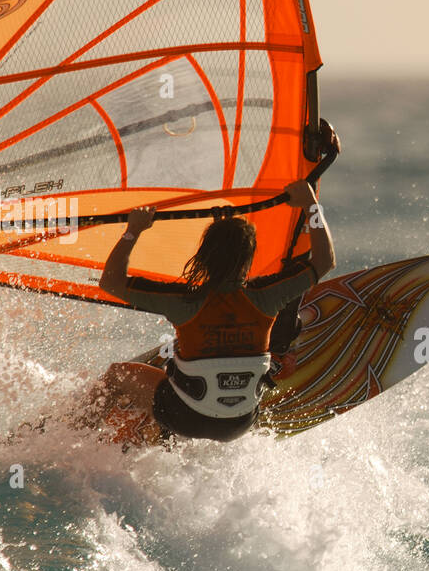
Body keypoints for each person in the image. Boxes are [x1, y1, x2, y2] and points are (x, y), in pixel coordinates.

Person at [91, 168, 337, 443]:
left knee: (117, 374)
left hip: (182, 417)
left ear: (203, 258)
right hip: (241, 422)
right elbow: (324, 261)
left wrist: (133, 231)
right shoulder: (268, 295)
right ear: (247, 261)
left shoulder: (183, 300)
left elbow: (111, 282)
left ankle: (73, 431)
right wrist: (310, 204)